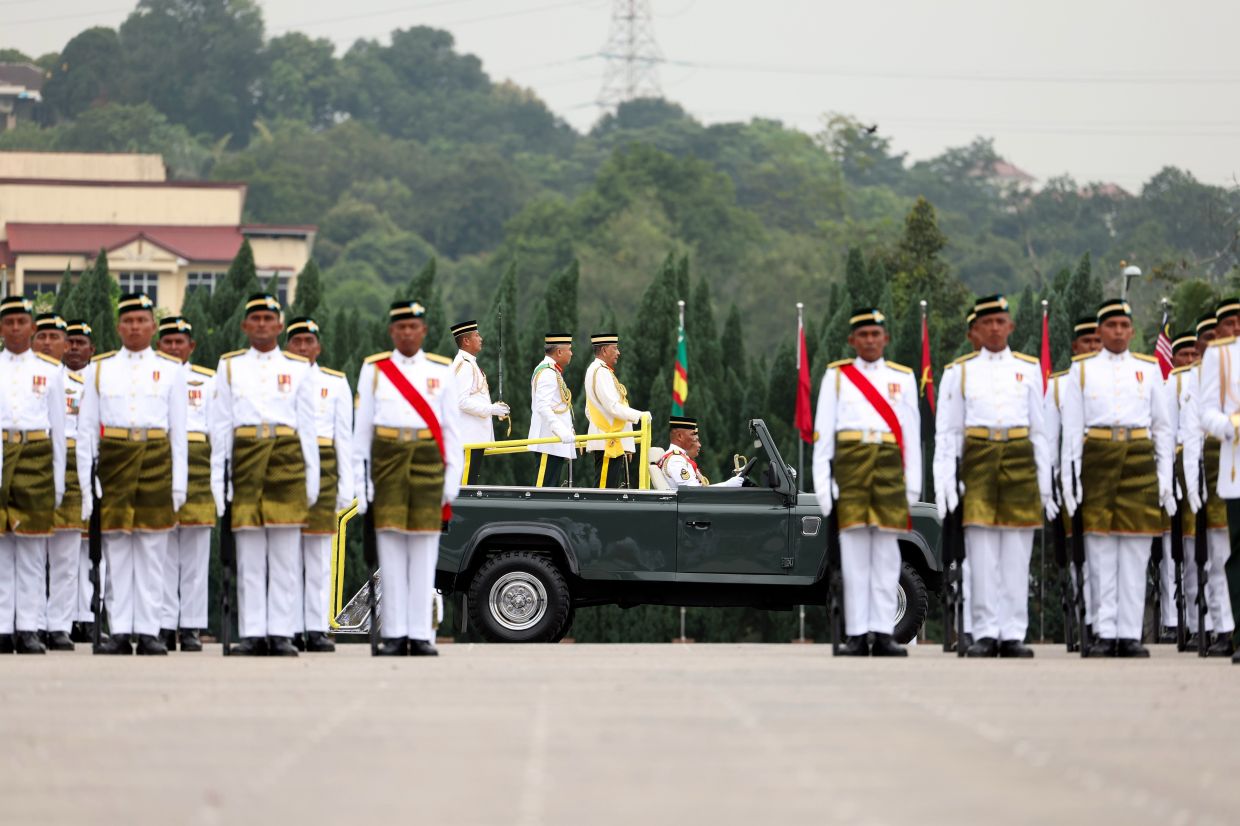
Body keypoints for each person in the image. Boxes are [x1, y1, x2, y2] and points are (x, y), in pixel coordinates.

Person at [935, 294, 1051, 659]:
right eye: (987, 322)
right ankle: (984, 631)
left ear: (1011, 326)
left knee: (1017, 550)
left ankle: (1012, 632)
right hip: (979, 456)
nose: (995, 328)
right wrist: (945, 480)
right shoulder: (959, 372)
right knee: (981, 552)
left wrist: (1045, 482)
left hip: (1019, 455)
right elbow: (949, 432)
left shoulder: (1029, 368)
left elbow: (1040, 430)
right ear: (975, 331)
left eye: (1001, 321)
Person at [1061, 298, 1174, 658]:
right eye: (1112, 326)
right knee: (1100, 549)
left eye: (1125, 326)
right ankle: (1105, 631)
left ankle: (1129, 633)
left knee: (1136, 550)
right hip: (1097, 454)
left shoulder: (1149, 367)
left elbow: (1164, 427)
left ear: (1132, 330)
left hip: (1139, 456)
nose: (1119, 332)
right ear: (1099, 331)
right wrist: (1069, 478)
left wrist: (1165, 476)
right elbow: (1071, 430)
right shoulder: (1081, 371)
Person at [78, 293, 188, 656]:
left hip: (157, 458)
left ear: (153, 327)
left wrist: (179, 484)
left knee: (154, 552)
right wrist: (85, 482)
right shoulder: (100, 368)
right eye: (129, 321)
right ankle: (121, 629)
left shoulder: (172, 370)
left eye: (142, 321)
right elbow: (87, 430)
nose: (135, 327)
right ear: (118, 326)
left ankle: (150, 630)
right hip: (115, 460)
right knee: (117, 550)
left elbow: (179, 432)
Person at [210, 293, 320, 657]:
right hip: (244, 455)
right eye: (254, 318)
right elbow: (221, 425)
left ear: (279, 325)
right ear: (245, 325)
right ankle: (254, 632)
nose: (261, 324)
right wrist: (217, 478)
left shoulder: (298, 367)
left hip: (286, 458)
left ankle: (281, 632)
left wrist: (313, 477)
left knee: (286, 554)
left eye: (267, 318)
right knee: (250, 553)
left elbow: (307, 427)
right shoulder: (228, 366)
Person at [354, 300, 462, 657]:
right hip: (387, 466)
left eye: (413, 326)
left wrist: (452, 480)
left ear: (423, 330)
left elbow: (451, 431)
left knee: (424, 555)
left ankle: (420, 635)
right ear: (392, 331)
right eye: (400, 327)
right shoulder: (374, 370)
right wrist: (362, 485)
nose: (406, 332)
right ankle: (395, 634)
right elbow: (362, 434)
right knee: (392, 555)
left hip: (429, 467)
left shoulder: (442, 370)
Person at [814, 308, 921, 657]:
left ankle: (883, 631)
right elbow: (824, 438)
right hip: (852, 468)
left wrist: (913, 488)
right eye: (863, 335)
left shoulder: (902, 377)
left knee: (888, 556)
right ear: (852, 340)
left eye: (876, 334)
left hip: (890, 469)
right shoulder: (837, 377)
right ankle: (858, 633)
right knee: (856, 556)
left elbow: (912, 435)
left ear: (885, 338)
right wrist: (824, 489)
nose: (870, 340)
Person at [0, 296, 65, 655]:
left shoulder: (51, 370)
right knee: (1, 549)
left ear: (32, 328)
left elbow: (58, 427)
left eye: (21, 322)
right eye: (8, 322)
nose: (14, 329)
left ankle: (28, 627)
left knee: (31, 549)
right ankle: (2, 626)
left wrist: (57, 481)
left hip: (36, 456)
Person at [285, 316, 352, 653]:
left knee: (319, 557)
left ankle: (313, 627)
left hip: (325, 470)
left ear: (318, 346)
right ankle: (288, 627)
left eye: (307, 341)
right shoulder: (276, 381)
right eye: (295, 342)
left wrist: (346, 486)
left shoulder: (334, 382)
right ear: (287, 347)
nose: (302, 347)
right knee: (285, 556)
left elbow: (345, 437)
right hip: (286, 469)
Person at [155, 315, 213, 653]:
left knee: (195, 555)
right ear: (159, 345)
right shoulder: (151, 378)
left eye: (180, 342)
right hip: (160, 462)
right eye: (168, 341)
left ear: (191, 346)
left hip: (199, 466)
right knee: (162, 553)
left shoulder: (209, 380)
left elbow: (218, 429)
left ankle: (190, 626)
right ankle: (163, 624)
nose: (174, 347)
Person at [1044, 316, 1104, 644]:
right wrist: (1053, 483)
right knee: (1080, 550)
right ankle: (1086, 616)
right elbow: (1050, 440)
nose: (1093, 348)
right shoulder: (1058, 385)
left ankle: (1107, 619)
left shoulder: (1114, 379)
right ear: (1075, 347)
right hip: (1072, 479)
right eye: (1087, 343)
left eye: (1097, 342)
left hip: (1109, 474)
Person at [1194, 305, 1240, 660]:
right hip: (1236, 465)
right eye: (1231, 322)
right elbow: (1206, 411)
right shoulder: (1219, 356)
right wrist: (1231, 426)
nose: (1237, 327)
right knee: (1234, 555)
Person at [33, 314, 80, 651]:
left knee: (66, 556)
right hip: (31, 466)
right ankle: (31, 622)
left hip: (73, 471)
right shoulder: (18, 378)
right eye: (42, 336)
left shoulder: (81, 386)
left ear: (67, 345)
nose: (47, 342)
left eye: (55, 337)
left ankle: (59, 625)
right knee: (31, 552)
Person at [1160, 330, 1197, 643]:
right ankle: (1173, 619)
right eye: (1183, 355)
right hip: (1181, 466)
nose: (1189, 360)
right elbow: (1167, 432)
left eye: (1193, 354)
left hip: (1211, 462)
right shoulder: (1174, 382)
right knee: (1179, 547)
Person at [63, 320, 99, 643]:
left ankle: (91, 614)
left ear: (92, 349)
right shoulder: (52, 378)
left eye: (80, 342)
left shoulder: (100, 379)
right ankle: (71, 617)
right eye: (70, 342)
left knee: (94, 545)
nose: (74, 348)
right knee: (68, 546)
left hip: (95, 465)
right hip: (64, 463)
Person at [584, 333, 649, 488]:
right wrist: (640, 416)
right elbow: (612, 406)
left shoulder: (599, 370)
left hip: (610, 439)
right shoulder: (600, 371)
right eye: (615, 348)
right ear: (605, 350)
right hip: (608, 441)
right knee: (604, 493)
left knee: (608, 490)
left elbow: (589, 410)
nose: (618, 352)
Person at [450, 319, 508, 484]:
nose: (481, 338)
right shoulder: (465, 365)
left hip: (472, 436)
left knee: (468, 483)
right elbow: (461, 401)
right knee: (466, 486)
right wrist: (492, 409)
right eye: (476, 335)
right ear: (466, 341)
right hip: (468, 437)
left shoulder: (469, 363)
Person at [528, 333, 576, 487]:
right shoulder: (548, 372)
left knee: (551, 489)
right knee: (544, 490)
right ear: (559, 352)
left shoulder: (552, 371)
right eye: (569, 349)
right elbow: (543, 406)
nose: (571, 353)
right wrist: (560, 431)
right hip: (548, 442)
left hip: (554, 443)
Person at [657, 416, 745, 490]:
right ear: (680, 436)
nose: (695, 438)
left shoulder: (679, 458)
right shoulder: (676, 460)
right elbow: (695, 492)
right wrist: (727, 485)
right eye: (692, 434)